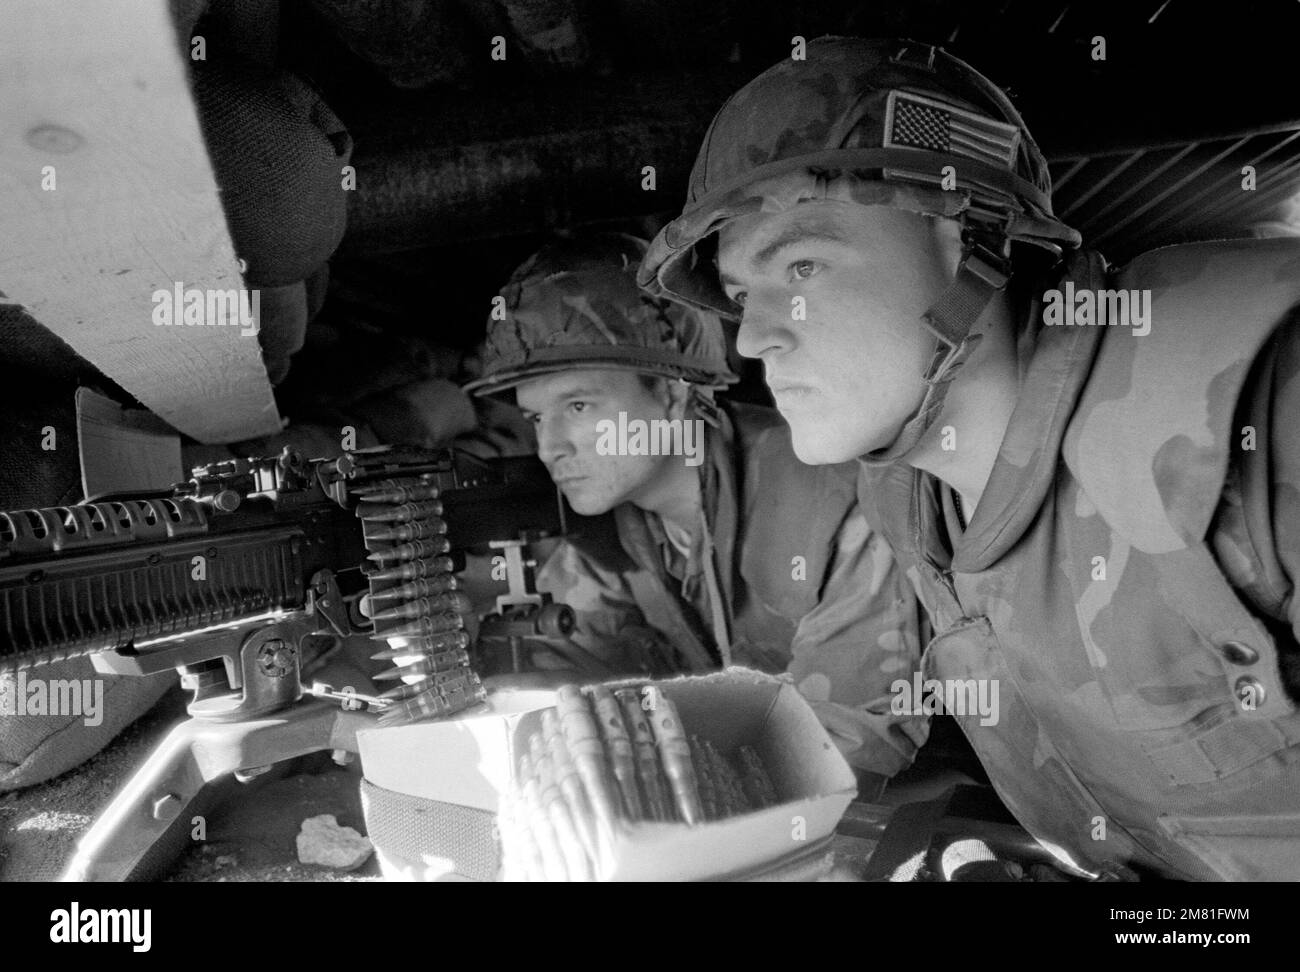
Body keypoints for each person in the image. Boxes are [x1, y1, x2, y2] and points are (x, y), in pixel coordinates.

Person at [639, 35, 1300, 881]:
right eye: (739, 297)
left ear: (973, 242)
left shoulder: (1253, 400)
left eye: (801, 263)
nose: (755, 337)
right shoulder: (906, 497)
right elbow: (833, 724)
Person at [464, 232, 925, 788]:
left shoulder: (829, 496)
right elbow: (574, 679)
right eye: (537, 417)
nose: (551, 446)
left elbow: (845, 748)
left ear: (675, 393)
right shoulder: (605, 529)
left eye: (578, 405)